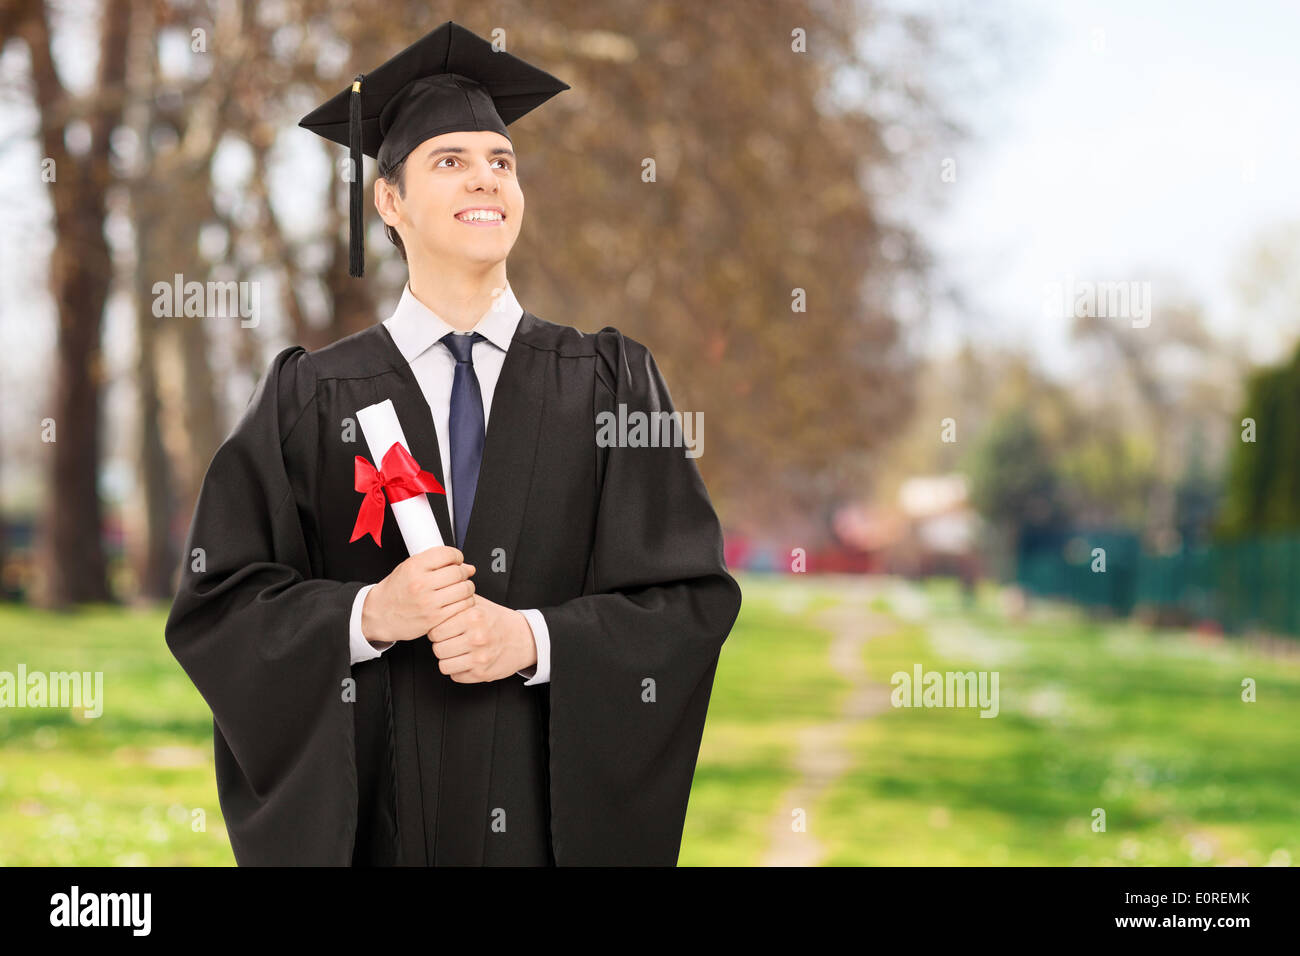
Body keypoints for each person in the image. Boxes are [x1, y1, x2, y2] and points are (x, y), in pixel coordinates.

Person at [164, 20, 742, 866]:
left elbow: (688, 602)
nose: (487, 179)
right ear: (389, 201)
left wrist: (537, 642)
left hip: (544, 839)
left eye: (501, 162)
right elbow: (219, 606)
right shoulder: (310, 398)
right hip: (379, 839)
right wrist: (368, 615)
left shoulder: (609, 383)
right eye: (451, 161)